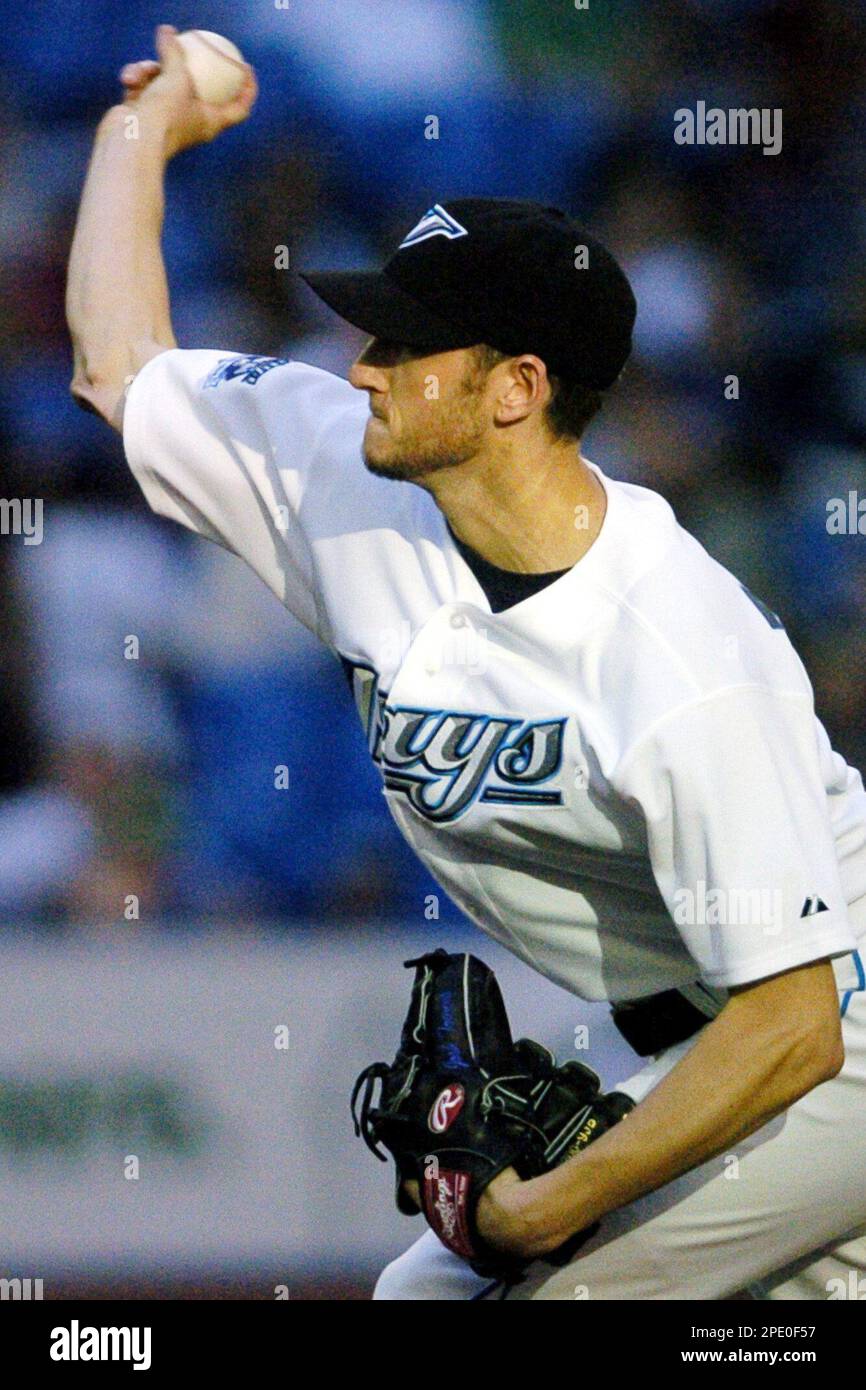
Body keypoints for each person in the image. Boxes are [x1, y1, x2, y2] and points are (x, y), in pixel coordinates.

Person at [66, 26, 866, 1300]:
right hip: (698, 1045)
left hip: (825, 1035)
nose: (359, 366)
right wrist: (144, 128)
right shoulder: (348, 475)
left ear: (514, 389)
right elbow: (121, 368)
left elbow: (792, 1025)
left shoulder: (679, 653)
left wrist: (536, 1206)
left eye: (402, 344)